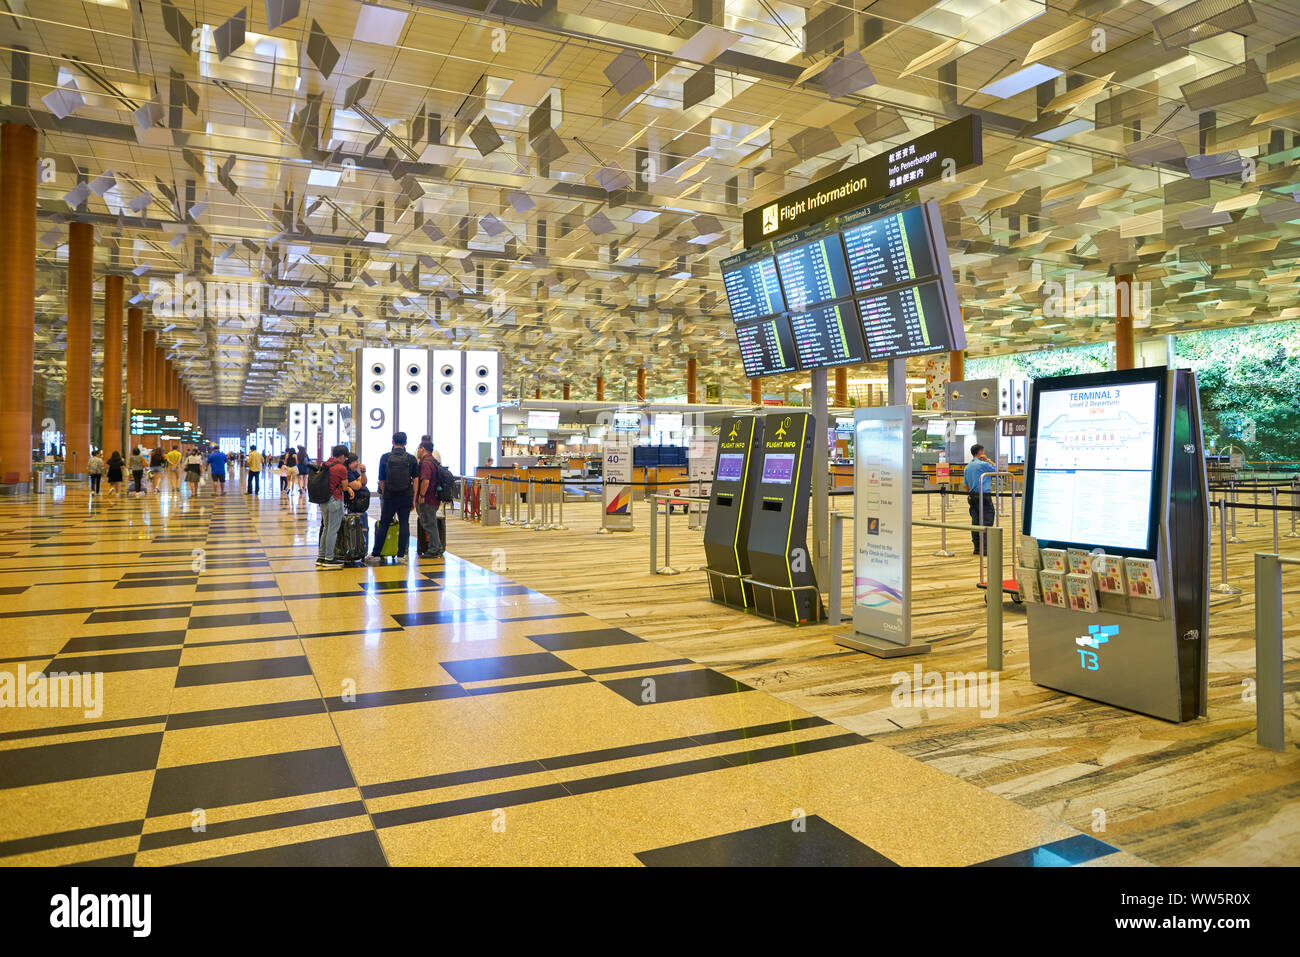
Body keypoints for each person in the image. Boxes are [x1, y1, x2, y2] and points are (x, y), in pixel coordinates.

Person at [365, 432, 419, 566]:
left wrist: (385, 494)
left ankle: (376, 554)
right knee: (404, 524)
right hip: (406, 496)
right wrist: (414, 498)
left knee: (384, 524)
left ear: (392, 442)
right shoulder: (411, 459)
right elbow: (416, 479)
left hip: (390, 497)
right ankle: (401, 555)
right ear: (405, 443)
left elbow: (381, 479)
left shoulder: (385, 457)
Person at [316, 445, 352, 568]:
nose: (345, 460)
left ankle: (321, 556)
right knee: (332, 530)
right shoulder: (341, 468)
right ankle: (329, 558)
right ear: (342, 456)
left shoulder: (325, 464)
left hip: (323, 500)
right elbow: (345, 487)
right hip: (335, 500)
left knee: (326, 528)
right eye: (345, 458)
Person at [964, 443, 998, 555]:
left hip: (972, 496)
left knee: (976, 522)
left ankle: (977, 548)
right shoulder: (983, 464)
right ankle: (985, 548)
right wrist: (988, 459)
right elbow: (999, 469)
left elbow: (965, 486)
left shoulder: (967, 467)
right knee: (987, 521)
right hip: (984, 496)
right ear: (980, 453)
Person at [415, 441, 444, 559]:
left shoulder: (426, 463)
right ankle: (437, 547)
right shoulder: (434, 460)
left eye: (418, 449)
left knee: (429, 524)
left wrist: (421, 496)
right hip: (435, 497)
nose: (417, 451)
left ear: (422, 449)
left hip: (428, 498)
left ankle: (434, 549)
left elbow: (425, 481)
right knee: (431, 523)